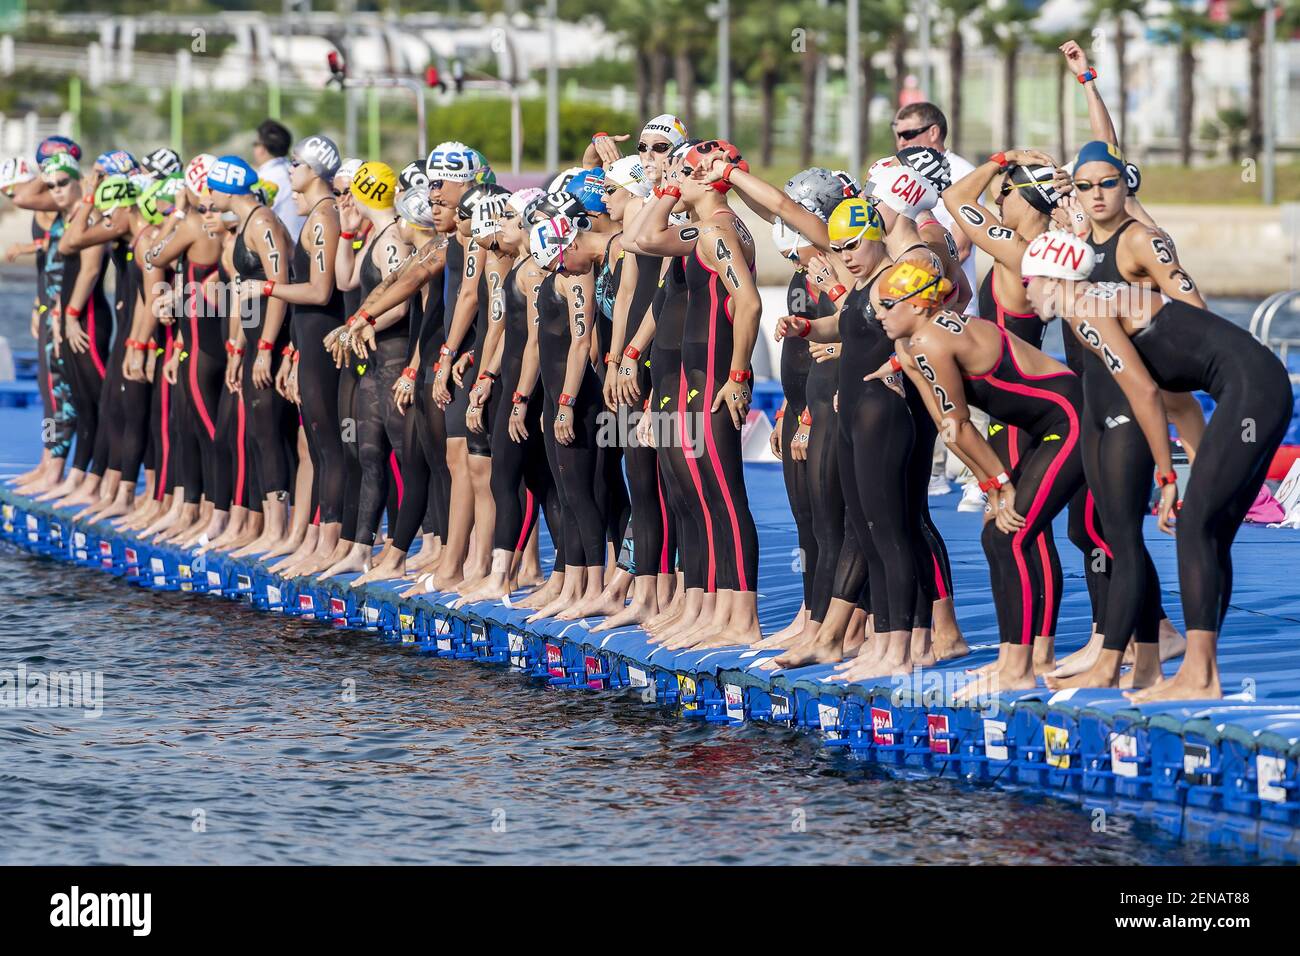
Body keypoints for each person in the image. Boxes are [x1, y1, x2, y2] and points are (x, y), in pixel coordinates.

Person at [1018, 231, 1292, 701]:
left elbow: (1144, 392)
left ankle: (1199, 677)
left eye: (1028, 281)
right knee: (1210, 531)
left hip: (1253, 390)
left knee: (1195, 529)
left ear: (1049, 278)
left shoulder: (1088, 308)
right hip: (1256, 386)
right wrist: (1208, 467)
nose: (1025, 293)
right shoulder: (1102, 299)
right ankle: (1186, 670)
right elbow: (1179, 401)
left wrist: (1167, 475)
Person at [869, 257, 1086, 700]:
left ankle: (1023, 666)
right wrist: (993, 486)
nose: (879, 313)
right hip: (1042, 428)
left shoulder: (930, 339)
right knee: (1000, 535)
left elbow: (961, 423)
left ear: (919, 305)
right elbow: (949, 430)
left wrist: (1000, 487)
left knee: (1014, 534)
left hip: (1072, 419)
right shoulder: (912, 347)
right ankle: (1020, 657)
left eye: (889, 304)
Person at [252, 119, 305, 241]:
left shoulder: (266, 178)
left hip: (282, 247)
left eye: (255, 144)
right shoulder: (292, 170)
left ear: (262, 148)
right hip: (300, 245)